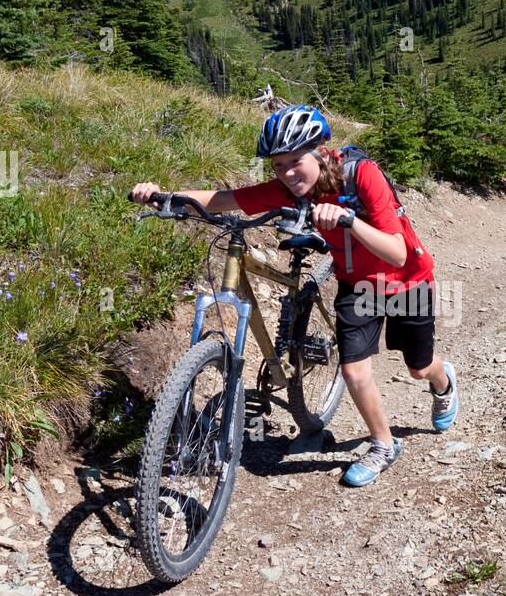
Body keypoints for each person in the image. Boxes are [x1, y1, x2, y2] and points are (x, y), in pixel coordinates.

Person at [130, 104, 459, 486]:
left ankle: (443, 382)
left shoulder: (361, 175)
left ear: (320, 151)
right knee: (354, 371)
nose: (287, 173)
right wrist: (162, 195)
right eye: (277, 164)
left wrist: (349, 220)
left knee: (419, 368)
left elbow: (398, 252)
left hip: (407, 279)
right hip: (357, 284)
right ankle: (384, 445)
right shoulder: (286, 186)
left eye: (295, 161)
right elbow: (224, 199)